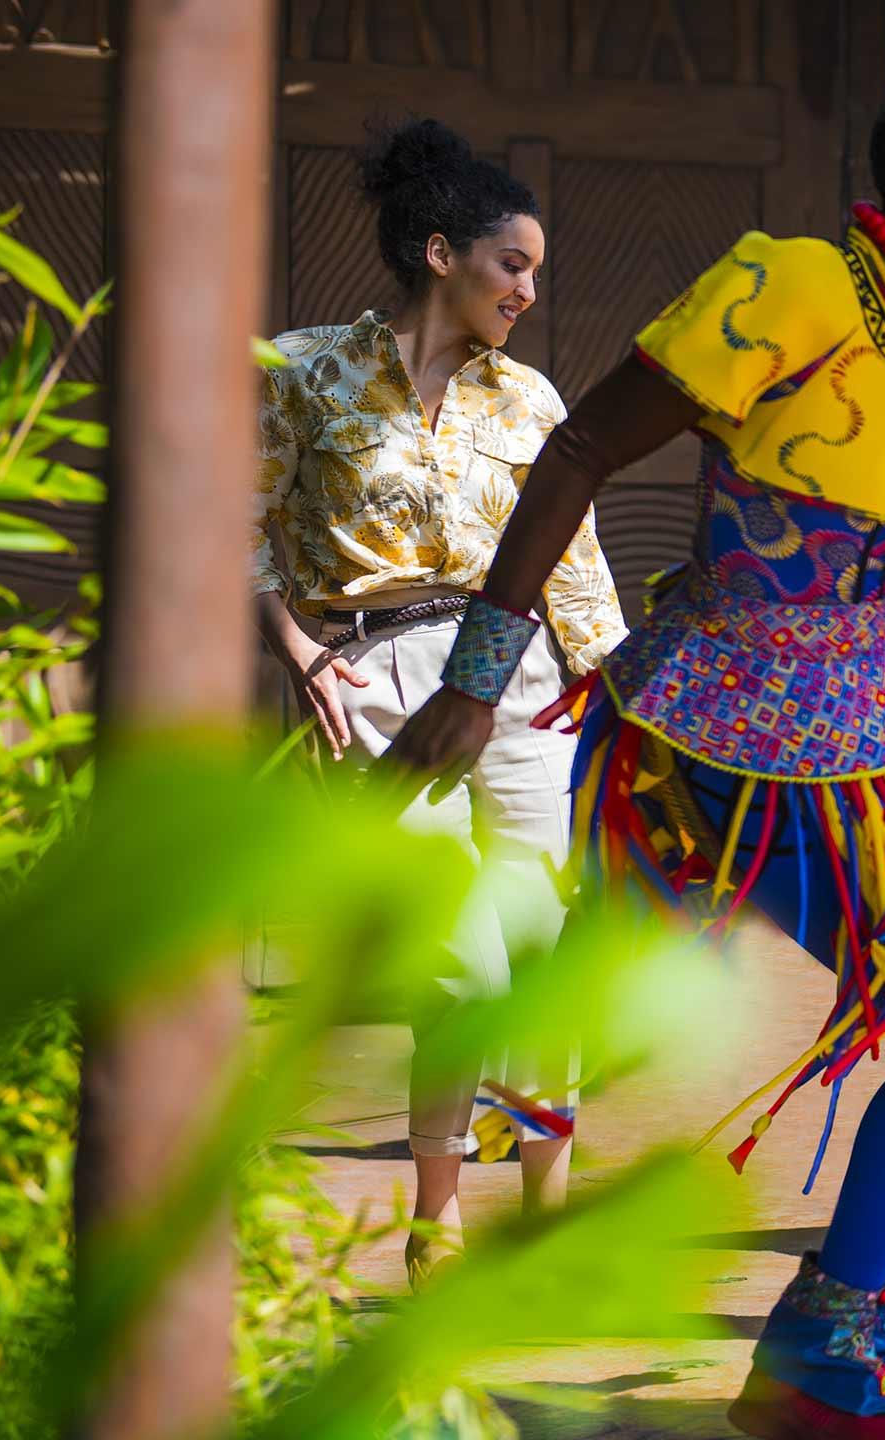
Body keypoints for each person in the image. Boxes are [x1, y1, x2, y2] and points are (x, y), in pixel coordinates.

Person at [383, 65, 885, 1440]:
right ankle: (818, 1346)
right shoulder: (794, 291)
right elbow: (582, 446)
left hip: (869, 735)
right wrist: (479, 679)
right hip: (718, 729)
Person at [250, 118, 623, 1285]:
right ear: (438, 253)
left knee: (538, 945)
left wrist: (616, 705)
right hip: (373, 683)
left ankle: (545, 1216)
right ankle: (435, 1209)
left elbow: (576, 566)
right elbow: (236, 525)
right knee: (458, 961)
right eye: (512, 264)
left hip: (519, 679)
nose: (526, 290)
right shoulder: (301, 371)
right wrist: (299, 651)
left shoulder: (532, 400)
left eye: (535, 273)